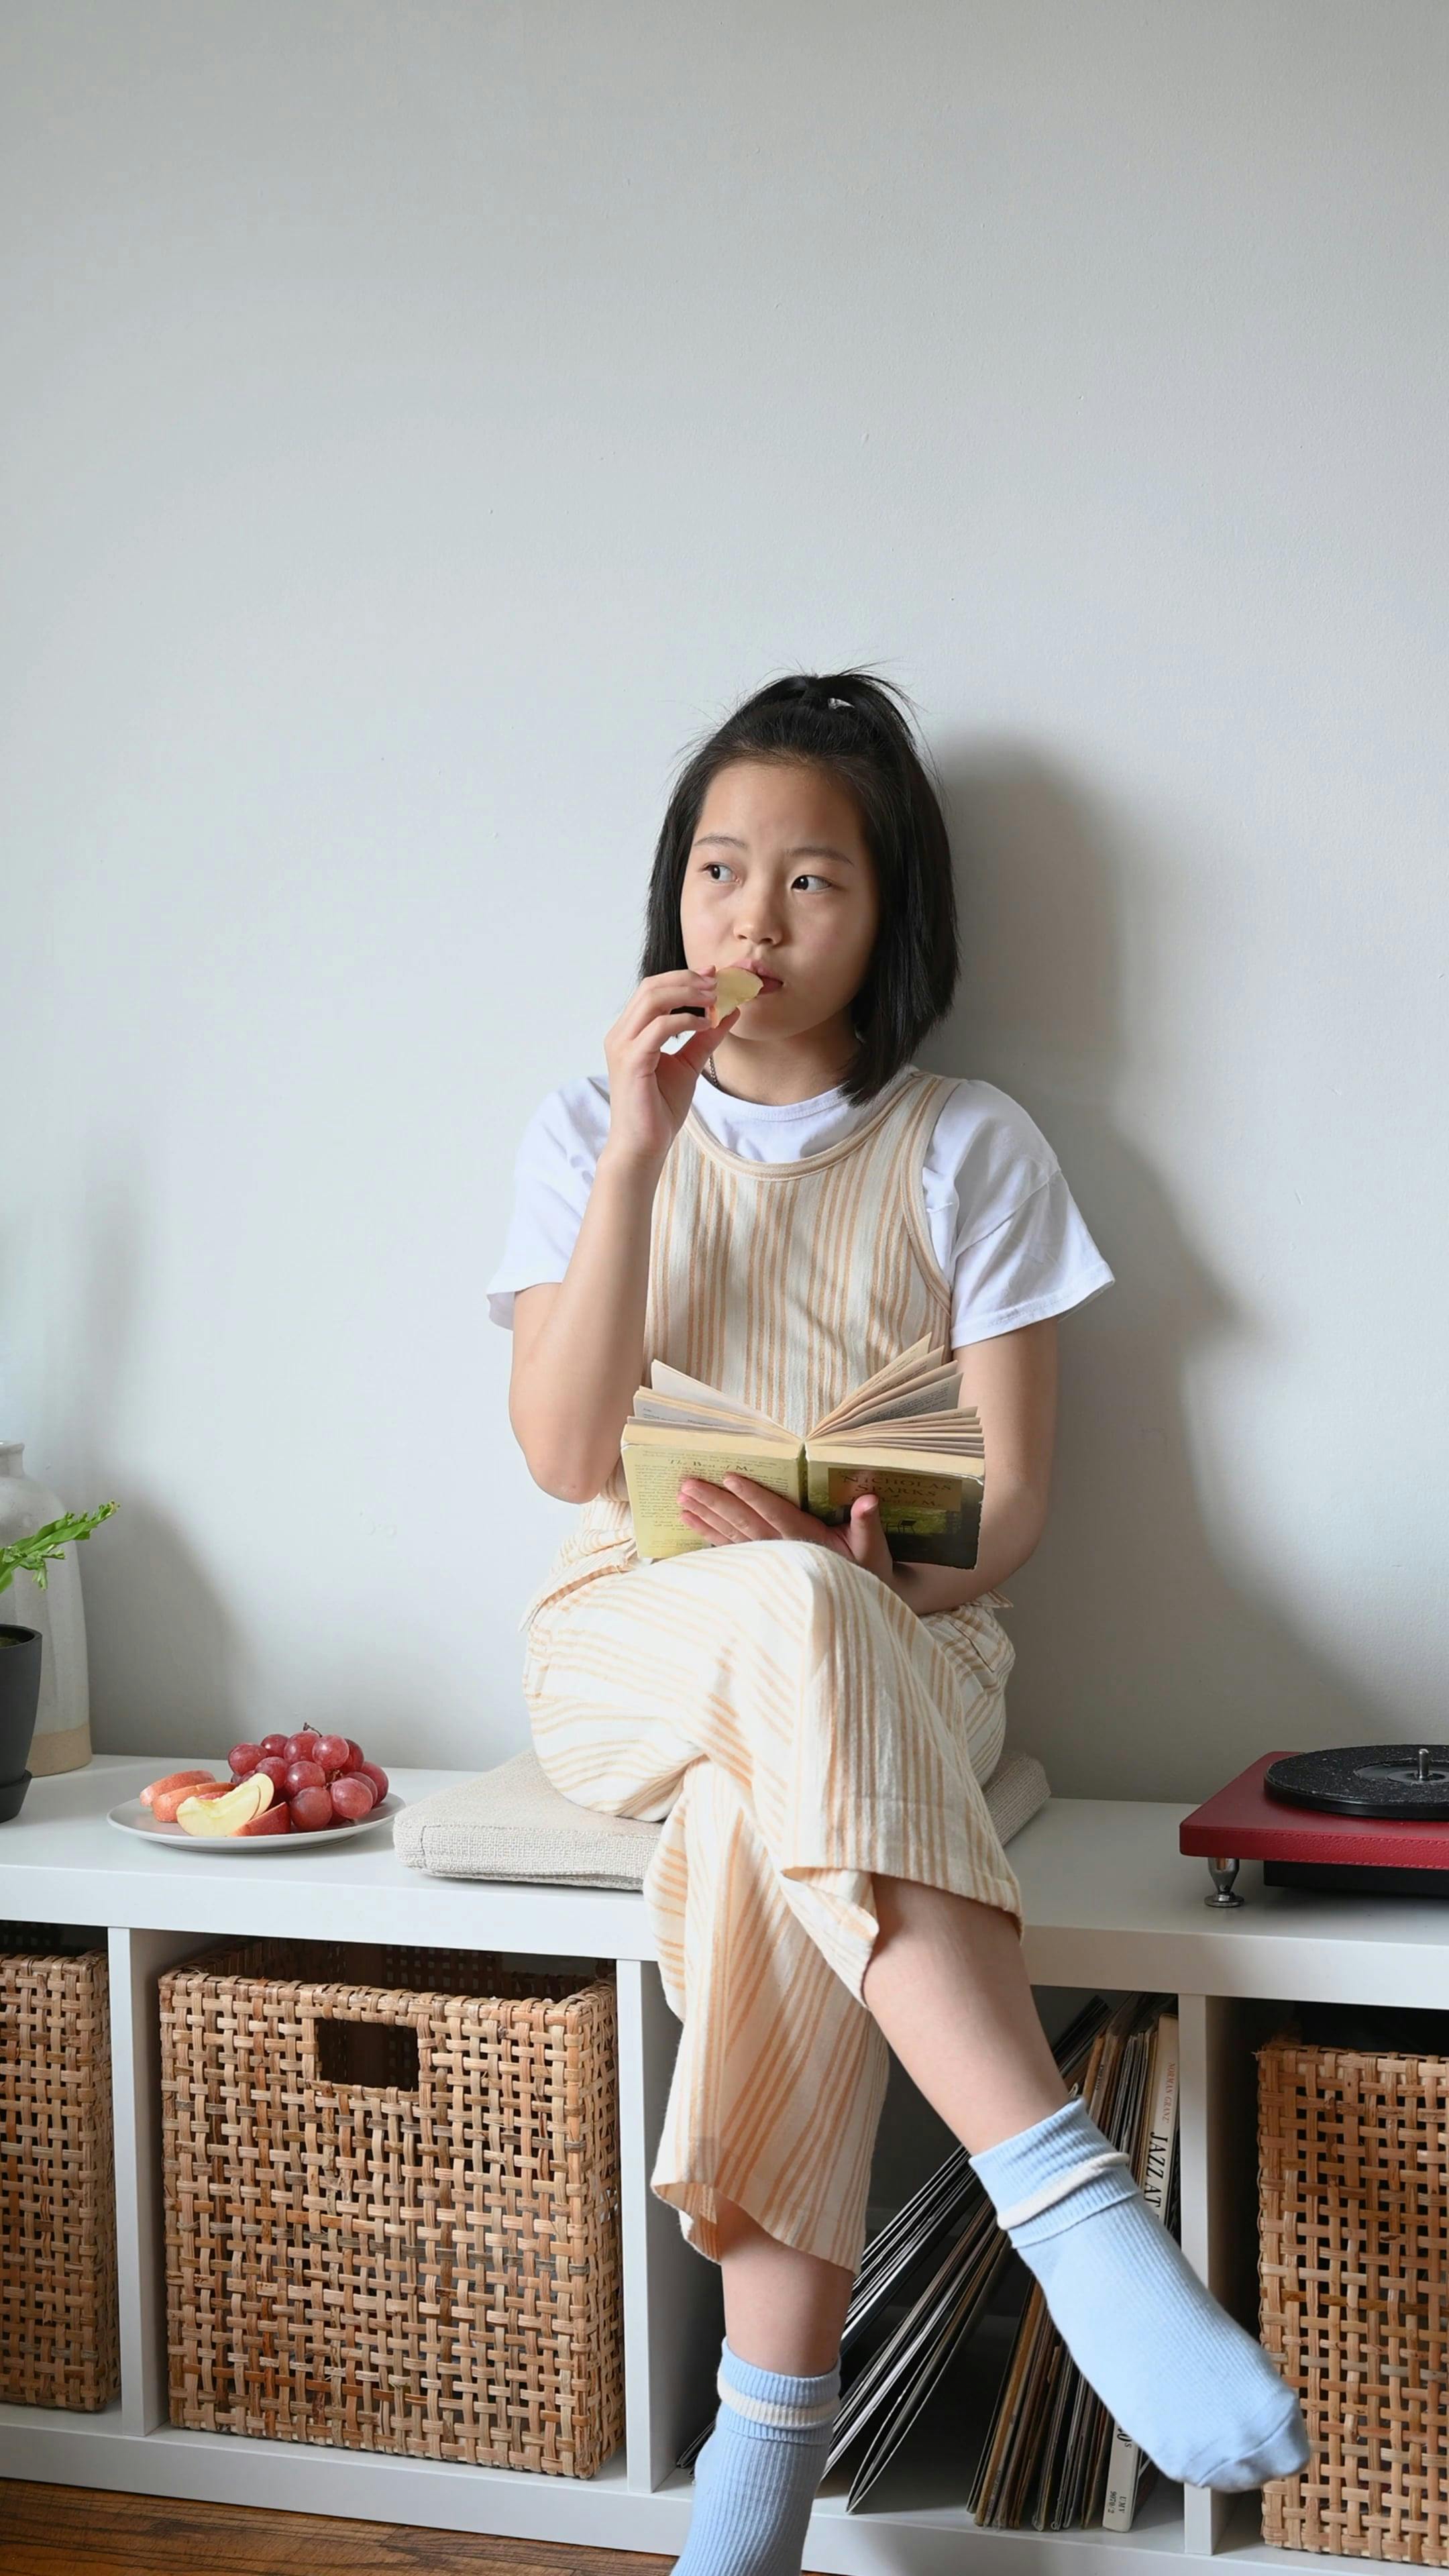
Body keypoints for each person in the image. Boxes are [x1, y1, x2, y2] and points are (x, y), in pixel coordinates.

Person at [486, 670, 1308, 2574]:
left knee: (758, 1816)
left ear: (891, 914)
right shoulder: (576, 1131)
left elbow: (1009, 1508)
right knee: (759, 1615)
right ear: (671, 894)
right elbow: (555, 1453)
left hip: (896, 1646)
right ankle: (1073, 2210)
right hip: (628, 1637)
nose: (750, 924)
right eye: (715, 872)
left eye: (809, 883)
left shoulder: (973, 1145)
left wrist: (876, 1575)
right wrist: (635, 1153)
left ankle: (750, 2504)